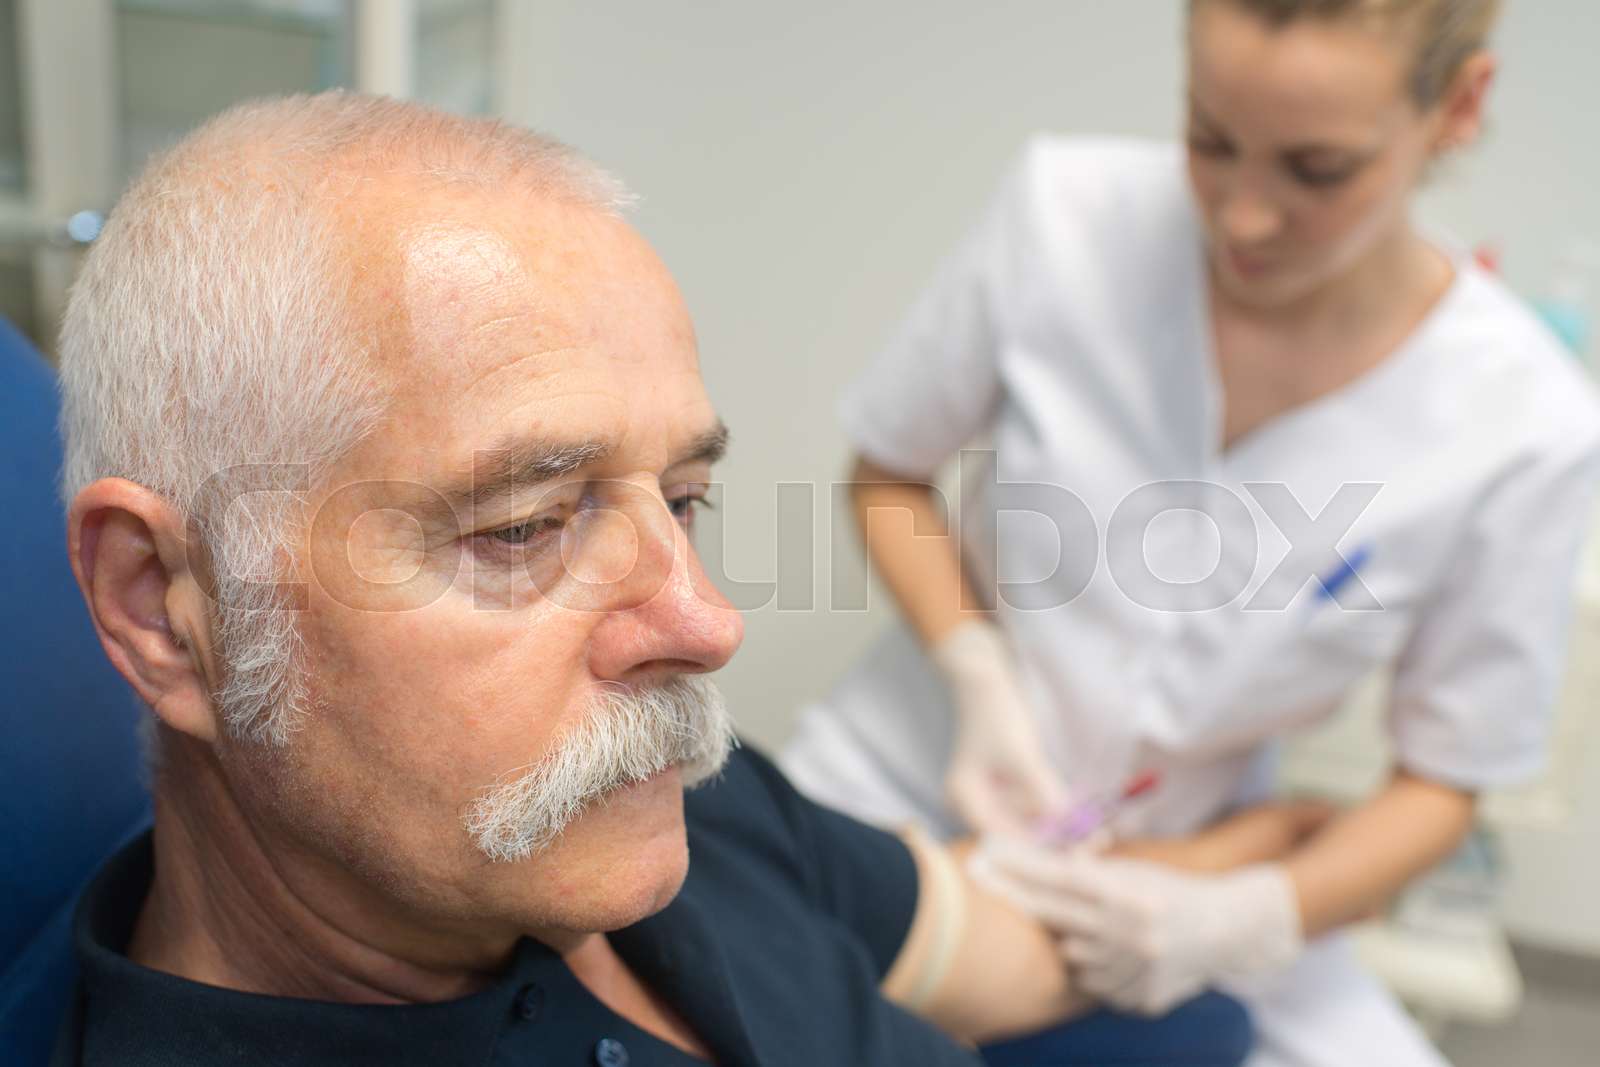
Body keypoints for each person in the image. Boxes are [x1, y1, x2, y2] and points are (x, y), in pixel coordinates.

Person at [49, 91, 1291, 1067]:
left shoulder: (669, 807)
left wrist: (1272, 872)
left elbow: (1018, 945)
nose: (704, 623)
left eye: (684, 498)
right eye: (525, 527)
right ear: (164, 605)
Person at [780, 2, 1600, 1066]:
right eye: (1210, 140)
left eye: (1316, 170)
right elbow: (889, 475)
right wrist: (975, 669)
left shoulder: (1523, 421)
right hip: (891, 786)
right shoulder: (1064, 214)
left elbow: (1443, 779)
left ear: (1457, 106)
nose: (1242, 218)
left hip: (1184, 879)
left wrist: (1247, 914)